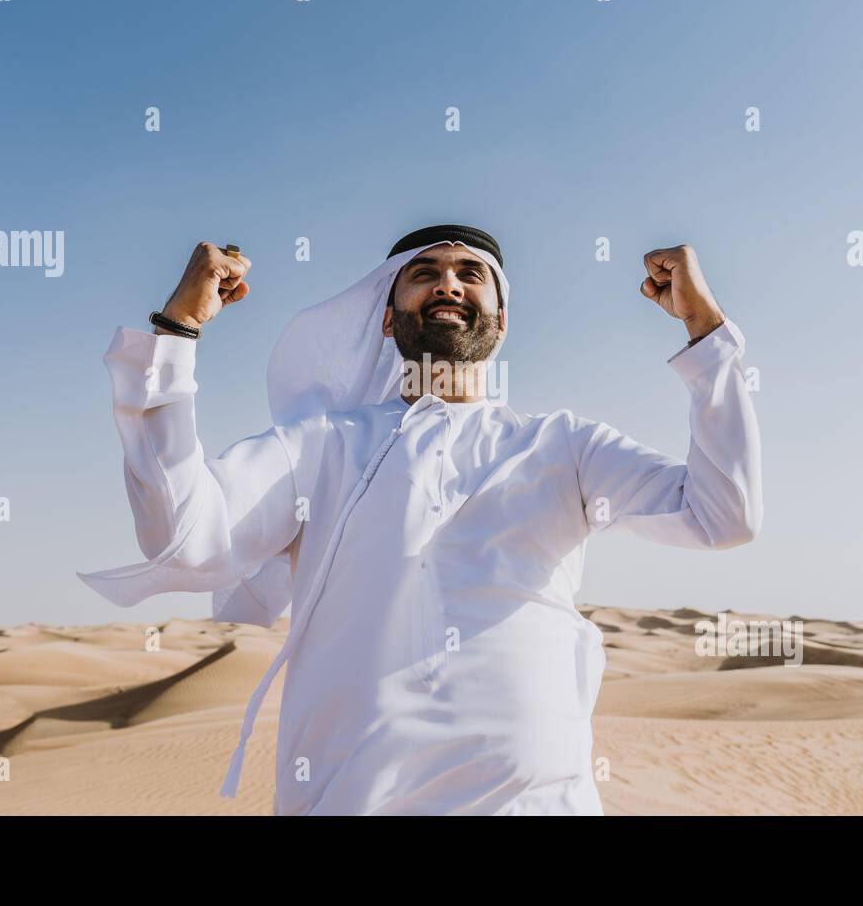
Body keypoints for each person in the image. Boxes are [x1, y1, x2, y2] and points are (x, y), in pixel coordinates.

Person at [77, 224, 762, 814]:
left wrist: (705, 333)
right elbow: (185, 538)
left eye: (471, 273)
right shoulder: (322, 445)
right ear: (385, 313)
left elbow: (722, 514)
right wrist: (177, 333)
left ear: (502, 317)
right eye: (425, 273)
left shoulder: (564, 446)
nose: (449, 285)